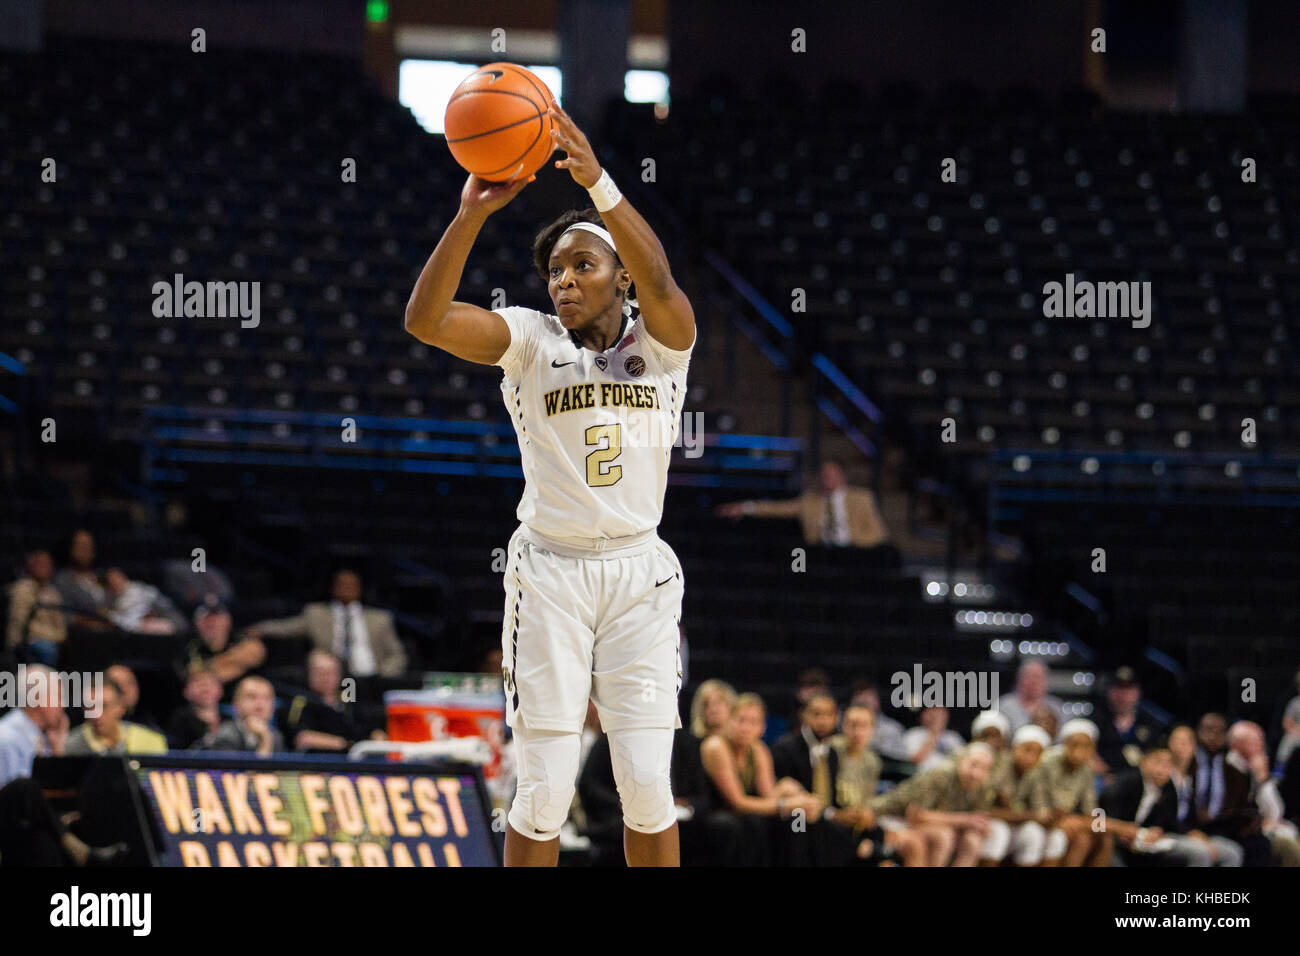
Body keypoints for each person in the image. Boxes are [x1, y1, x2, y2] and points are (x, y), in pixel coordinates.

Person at [405, 98, 696, 868]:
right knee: (541, 787)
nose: (563, 280)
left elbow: (662, 272)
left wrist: (599, 181)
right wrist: (469, 215)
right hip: (553, 571)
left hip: (639, 572)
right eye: (555, 270)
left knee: (646, 783)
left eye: (581, 265)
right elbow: (425, 320)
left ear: (620, 279)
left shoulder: (664, 345)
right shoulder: (531, 339)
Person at [0, 666, 127, 866]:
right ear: (39, 699)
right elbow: (17, 797)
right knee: (25, 787)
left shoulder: (43, 735)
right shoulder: (6, 736)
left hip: (42, 823)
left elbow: (52, 792)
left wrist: (59, 749)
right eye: (58, 697)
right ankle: (78, 850)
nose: (63, 704)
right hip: (12, 824)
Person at [700, 694, 822, 865]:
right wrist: (786, 804)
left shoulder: (758, 749)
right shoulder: (716, 746)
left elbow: (768, 796)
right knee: (752, 822)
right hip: (715, 812)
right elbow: (737, 802)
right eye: (741, 720)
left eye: (753, 722)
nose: (745, 727)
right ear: (729, 721)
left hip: (747, 813)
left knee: (798, 818)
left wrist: (794, 795)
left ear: (762, 727)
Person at [250, 569, 406, 678]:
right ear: (333, 588)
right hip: (335, 679)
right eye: (342, 584)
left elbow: (397, 655)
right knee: (347, 690)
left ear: (360, 589)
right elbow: (287, 627)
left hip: (371, 677)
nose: (346, 588)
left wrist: (382, 676)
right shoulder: (316, 613)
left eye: (351, 585)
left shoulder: (380, 618)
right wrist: (260, 628)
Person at [868, 743, 1001, 866]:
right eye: (973, 765)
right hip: (889, 814)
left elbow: (978, 819)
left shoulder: (985, 786)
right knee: (943, 836)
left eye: (984, 768)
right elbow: (915, 815)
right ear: (962, 760)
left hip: (936, 822)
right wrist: (964, 820)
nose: (975, 773)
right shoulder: (941, 775)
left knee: (973, 840)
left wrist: (977, 825)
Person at [715, 459, 888, 548]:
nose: (825, 478)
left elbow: (877, 534)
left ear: (842, 475)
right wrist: (746, 507)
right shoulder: (809, 500)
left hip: (854, 553)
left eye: (830, 474)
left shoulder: (862, 498)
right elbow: (777, 508)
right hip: (820, 554)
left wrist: (851, 542)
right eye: (823, 474)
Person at [1023, 718, 1110, 866]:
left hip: (1069, 818)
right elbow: (1038, 805)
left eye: (1085, 746)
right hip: (1037, 817)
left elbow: (1091, 808)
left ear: (1093, 749)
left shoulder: (1087, 770)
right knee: (1071, 836)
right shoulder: (1046, 762)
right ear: (1064, 743)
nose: (1079, 752)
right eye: (1074, 745)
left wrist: (1095, 823)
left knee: (1103, 836)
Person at [1167, 724, 1244, 866]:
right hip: (1168, 832)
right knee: (1201, 853)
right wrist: (1189, 833)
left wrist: (1196, 833)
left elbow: (1190, 815)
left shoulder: (1191, 777)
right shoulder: (1164, 776)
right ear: (1169, 744)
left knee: (1233, 852)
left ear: (1193, 747)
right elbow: (1166, 816)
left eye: (1186, 742)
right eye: (1177, 741)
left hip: (1188, 832)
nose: (1181, 747)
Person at [988, 724, 1065, 866]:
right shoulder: (999, 764)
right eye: (1027, 750)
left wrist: (1051, 817)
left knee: (1051, 836)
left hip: (1015, 824)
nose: (1031, 757)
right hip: (989, 823)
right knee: (999, 832)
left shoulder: (1036, 773)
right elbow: (986, 810)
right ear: (1015, 747)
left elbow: (1040, 808)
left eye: (1037, 753)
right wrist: (1032, 815)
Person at [281, 649, 383, 753]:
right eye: (319, 672)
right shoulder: (300, 702)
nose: (326, 677)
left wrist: (378, 739)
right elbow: (303, 738)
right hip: (317, 763)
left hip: (356, 761)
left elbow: (371, 730)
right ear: (309, 674)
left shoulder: (349, 701)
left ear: (339, 675)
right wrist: (347, 745)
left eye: (331, 672)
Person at [1094, 666, 1164, 783]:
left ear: (1137, 692)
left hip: (1141, 781)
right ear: (1109, 691)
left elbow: (1157, 755)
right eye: (1118, 688)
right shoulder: (1096, 720)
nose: (1123, 696)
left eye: (1128, 689)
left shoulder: (1149, 723)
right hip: (1104, 782)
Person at [65, 678, 167, 756]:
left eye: (104, 706)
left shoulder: (151, 742)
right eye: (89, 706)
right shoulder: (71, 747)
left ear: (120, 707)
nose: (95, 714)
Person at [176, 599, 266, 686]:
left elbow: (256, 653)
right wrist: (236, 662)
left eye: (217, 619)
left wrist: (209, 667)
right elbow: (192, 676)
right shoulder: (190, 648)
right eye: (207, 620)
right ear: (197, 624)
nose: (212, 624)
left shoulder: (241, 639)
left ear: (228, 621)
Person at [5, 549, 67, 663]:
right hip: (25, 641)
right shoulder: (22, 589)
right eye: (40, 564)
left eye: (47, 564)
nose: (44, 567)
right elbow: (21, 624)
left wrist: (61, 636)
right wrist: (54, 636)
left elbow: (60, 623)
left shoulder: (53, 593)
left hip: (52, 639)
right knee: (48, 649)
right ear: (30, 566)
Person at [203, 676, 284, 756]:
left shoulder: (275, 736)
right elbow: (233, 769)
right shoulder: (226, 734)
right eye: (252, 697)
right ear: (236, 703)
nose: (260, 705)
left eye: (266, 698)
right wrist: (265, 741)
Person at [51, 529, 111, 632]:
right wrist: (92, 624)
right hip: (81, 634)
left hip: (110, 629)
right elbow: (64, 615)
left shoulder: (102, 577)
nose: (85, 549)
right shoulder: (62, 580)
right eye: (80, 545)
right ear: (70, 548)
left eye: (88, 545)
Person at [102, 568, 187, 635]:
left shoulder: (138, 589)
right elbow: (119, 619)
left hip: (156, 617)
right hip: (133, 627)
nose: (116, 581)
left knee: (168, 626)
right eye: (112, 579)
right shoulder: (110, 599)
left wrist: (152, 611)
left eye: (117, 577)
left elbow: (161, 602)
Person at [165, 665, 225, 749]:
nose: (206, 688)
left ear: (221, 690)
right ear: (186, 692)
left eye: (211, 682)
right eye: (199, 683)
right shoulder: (180, 721)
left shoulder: (230, 718)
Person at [997, 660, 1064, 733]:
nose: (1033, 681)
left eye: (1037, 677)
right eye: (1028, 676)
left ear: (1046, 681)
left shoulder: (1056, 708)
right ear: (1019, 679)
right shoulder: (1004, 706)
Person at [902, 706, 965, 772]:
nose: (937, 715)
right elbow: (914, 760)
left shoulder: (953, 737)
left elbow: (963, 761)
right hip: (923, 775)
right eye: (933, 710)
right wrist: (935, 732)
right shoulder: (913, 734)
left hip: (950, 776)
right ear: (923, 714)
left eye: (941, 712)